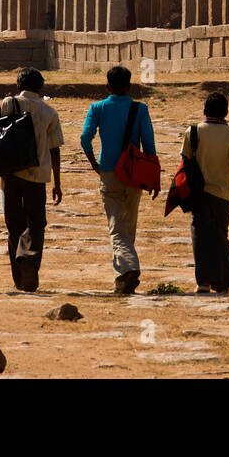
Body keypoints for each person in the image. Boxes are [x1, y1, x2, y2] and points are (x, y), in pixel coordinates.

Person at [80, 65, 158, 294]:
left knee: (116, 227)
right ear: (129, 86)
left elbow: (85, 138)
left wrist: (94, 163)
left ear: (107, 87)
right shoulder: (140, 109)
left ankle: (128, 269)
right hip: (134, 173)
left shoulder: (98, 108)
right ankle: (123, 277)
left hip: (109, 171)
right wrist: (153, 177)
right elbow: (150, 146)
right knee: (129, 224)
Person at [0, 67, 64, 293]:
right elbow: (55, 149)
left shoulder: (7, 104)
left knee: (13, 223)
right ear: (41, 87)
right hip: (37, 175)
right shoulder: (49, 112)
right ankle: (30, 260)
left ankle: (18, 275)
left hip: (11, 173)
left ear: (18, 86)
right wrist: (57, 182)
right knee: (36, 223)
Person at [181, 91, 229, 294]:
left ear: (204, 110)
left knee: (200, 237)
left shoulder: (192, 132)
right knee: (220, 237)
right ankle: (223, 282)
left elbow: (185, 161)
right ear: (226, 112)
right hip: (222, 194)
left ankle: (203, 282)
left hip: (198, 194)